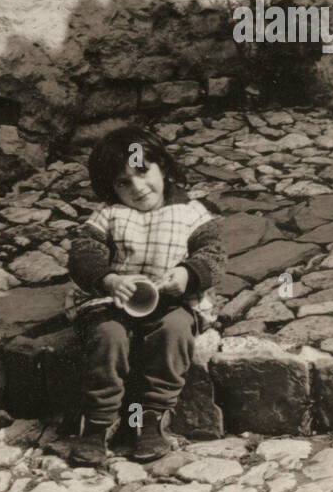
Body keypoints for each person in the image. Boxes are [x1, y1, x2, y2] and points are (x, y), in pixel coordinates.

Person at [65, 124, 224, 465]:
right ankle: (97, 423)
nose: (137, 188)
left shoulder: (191, 214)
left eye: (142, 171)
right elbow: (82, 253)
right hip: (116, 303)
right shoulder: (109, 215)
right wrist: (107, 279)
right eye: (123, 182)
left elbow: (212, 253)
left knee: (176, 332)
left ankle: (150, 419)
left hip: (171, 303)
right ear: (110, 187)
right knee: (108, 336)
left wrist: (187, 274)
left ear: (162, 166)